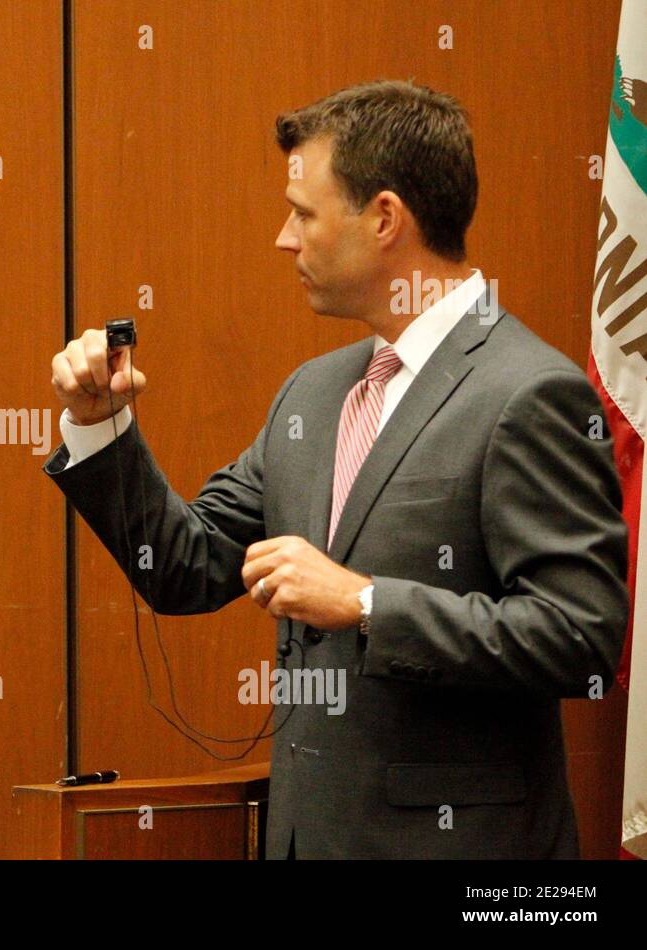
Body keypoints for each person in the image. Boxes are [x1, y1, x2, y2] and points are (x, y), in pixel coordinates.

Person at [45, 80, 629, 858]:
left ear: (385, 218)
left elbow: (580, 637)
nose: (284, 238)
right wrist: (101, 428)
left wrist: (364, 602)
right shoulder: (314, 393)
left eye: (304, 213)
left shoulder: (529, 390)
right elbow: (183, 567)